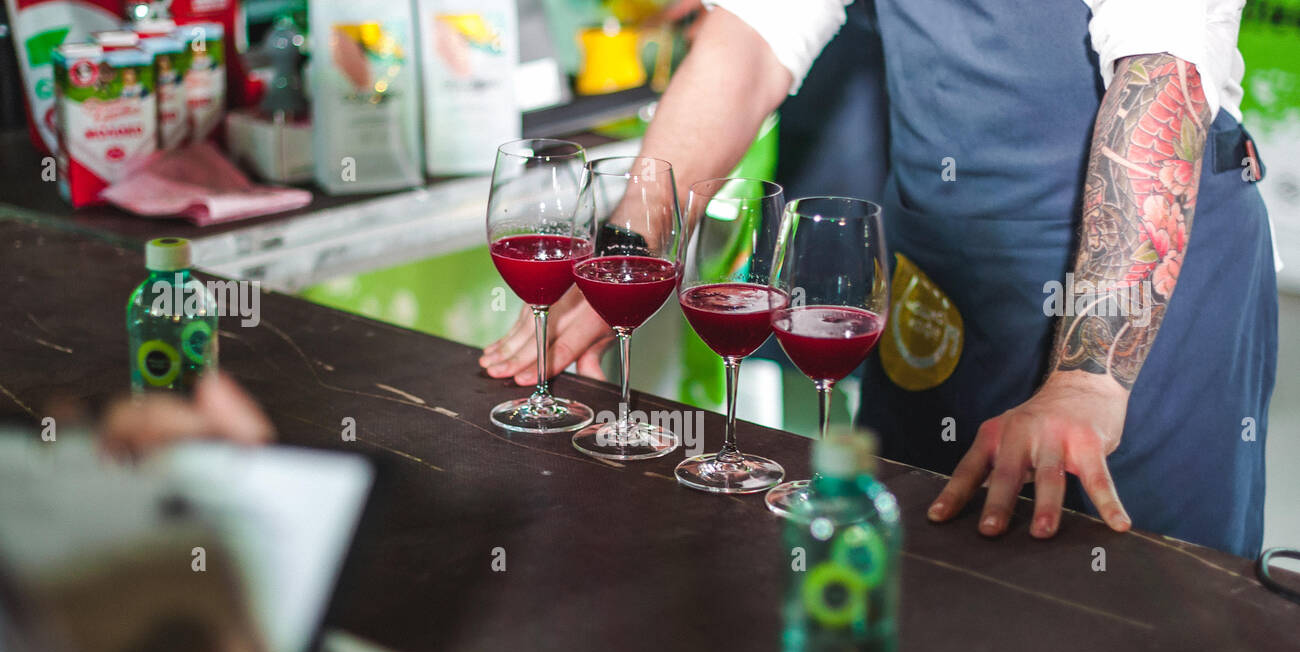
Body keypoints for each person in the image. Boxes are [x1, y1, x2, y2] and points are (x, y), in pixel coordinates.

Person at [481, 0, 1278, 558]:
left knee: (1127, 629)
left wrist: (1086, 381)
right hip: (945, 274)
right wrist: (635, 243)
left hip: (1142, 294)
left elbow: (1159, 78)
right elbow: (755, 37)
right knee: (908, 579)